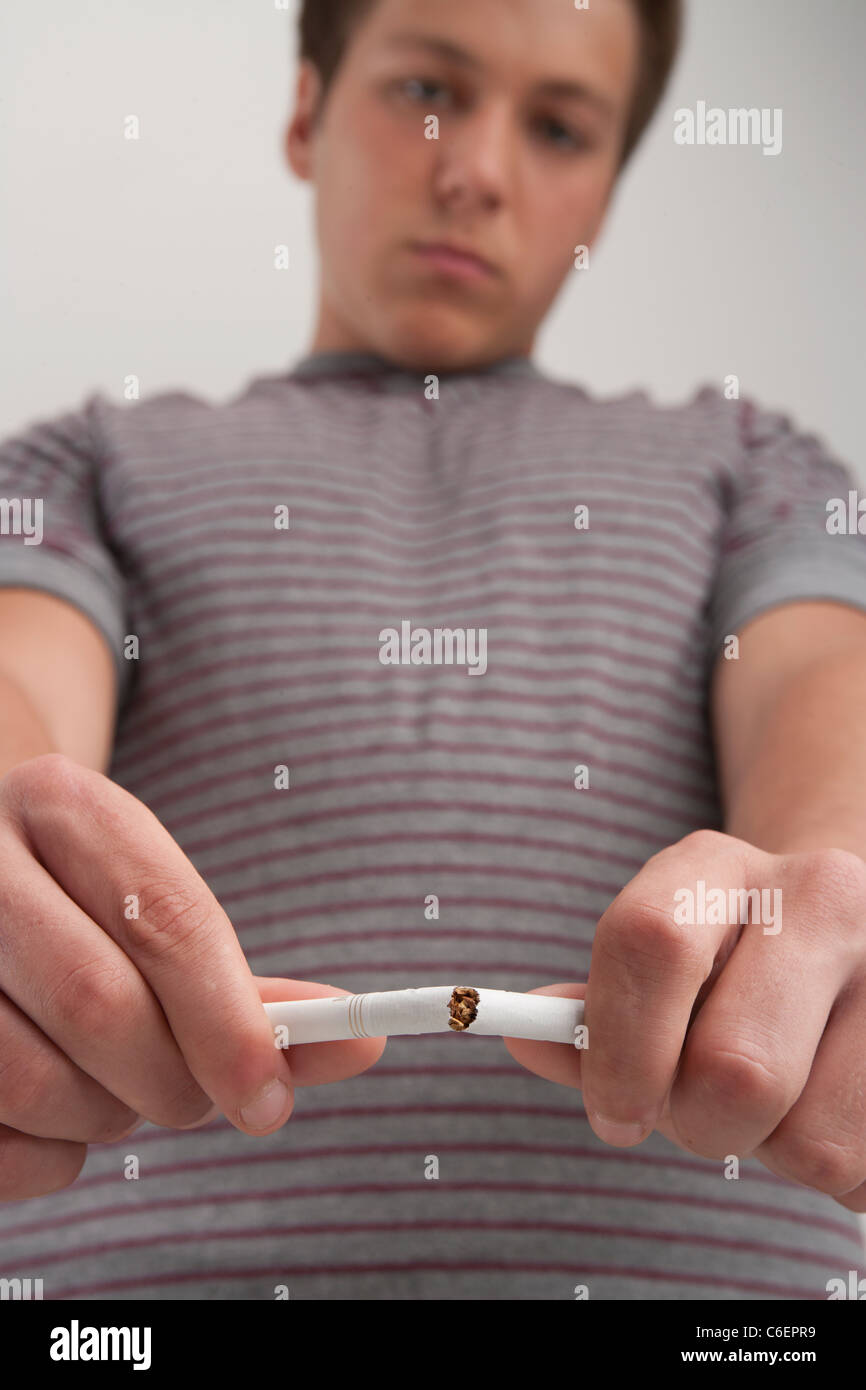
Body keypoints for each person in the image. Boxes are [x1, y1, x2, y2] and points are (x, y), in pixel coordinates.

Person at [0, 0, 864, 1302]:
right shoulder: (83, 463)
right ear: (305, 113)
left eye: (561, 127)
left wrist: (817, 888)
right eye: (426, 90)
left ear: (605, 192)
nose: (478, 171)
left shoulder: (755, 461)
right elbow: (18, 688)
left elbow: (820, 692)